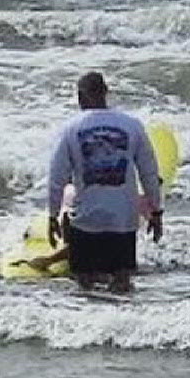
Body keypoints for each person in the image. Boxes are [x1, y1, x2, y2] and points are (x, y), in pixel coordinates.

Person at [46, 71, 163, 293]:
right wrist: (156, 212)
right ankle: (124, 324)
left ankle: (91, 325)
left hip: (86, 220)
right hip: (123, 221)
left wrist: (52, 216)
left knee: (85, 285)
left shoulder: (71, 128)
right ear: (106, 93)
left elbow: (56, 178)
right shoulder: (132, 125)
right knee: (122, 282)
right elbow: (149, 173)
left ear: (80, 96)